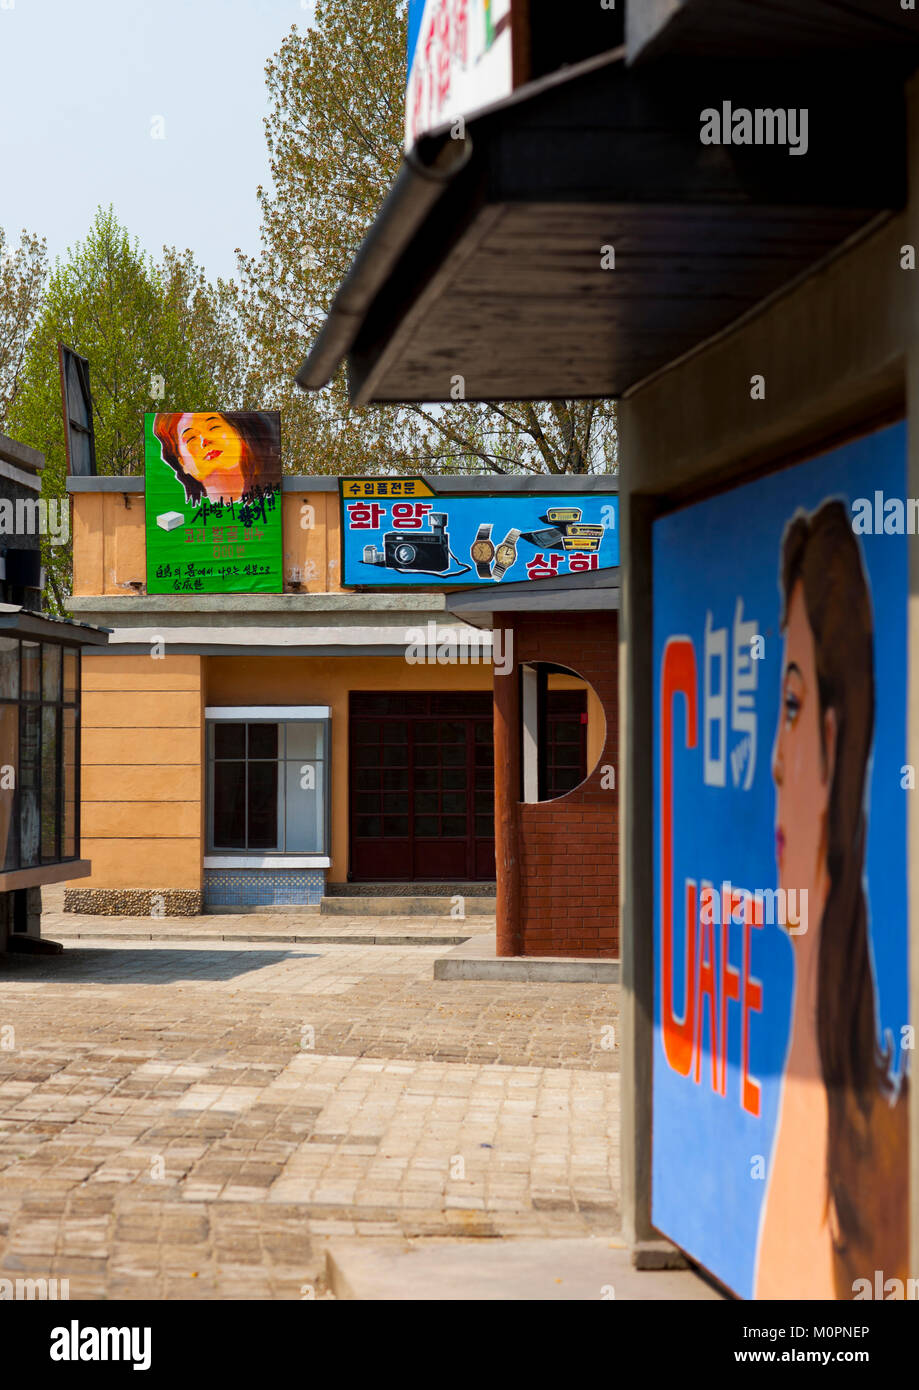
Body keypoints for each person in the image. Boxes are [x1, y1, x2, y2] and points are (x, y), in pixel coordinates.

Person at [754, 499, 908, 1299]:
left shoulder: (888, 1168)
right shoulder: (811, 1058)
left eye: (792, 706)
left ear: (839, 737)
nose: (776, 762)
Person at [151, 411, 281, 506]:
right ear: (182, 463)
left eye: (213, 427)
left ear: (239, 435)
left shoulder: (271, 497)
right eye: (191, 438)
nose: (204, 441)